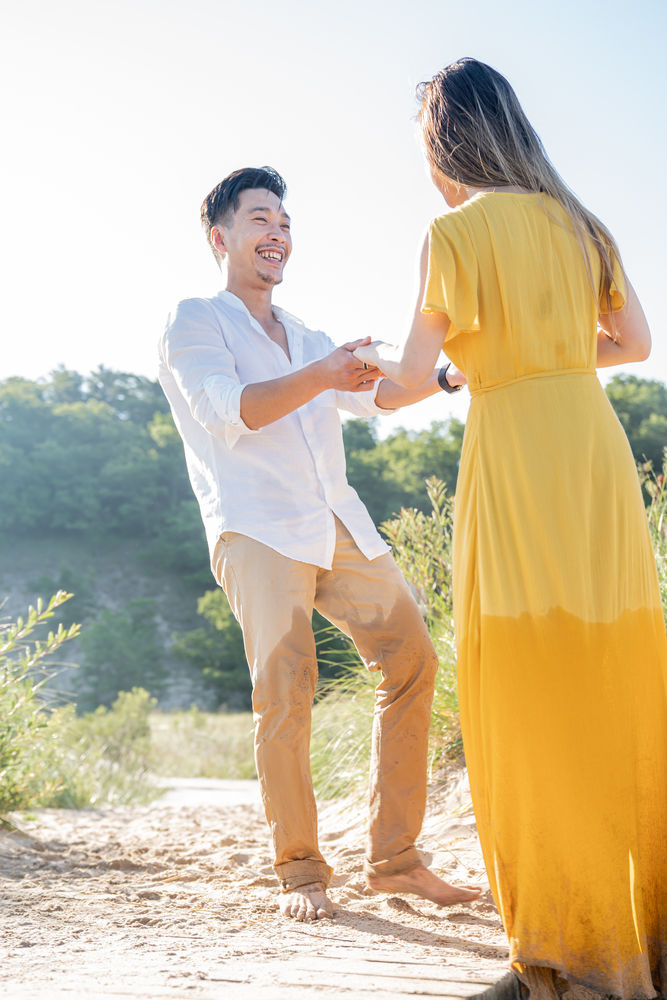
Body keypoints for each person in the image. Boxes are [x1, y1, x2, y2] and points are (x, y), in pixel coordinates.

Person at [356, 59, 666, 1000]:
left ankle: (561, 950)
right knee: (616, 675)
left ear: (443, 140)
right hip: (591, 452)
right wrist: (546, 357)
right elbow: (635, 346)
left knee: (524, 690)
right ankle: (644, 934)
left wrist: (373, 382)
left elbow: (407, 378)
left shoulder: (455, 230)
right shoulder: (580, 223)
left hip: (517, 458)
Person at [157, 166, 477, 922]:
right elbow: (234, 411)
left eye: (285, 223)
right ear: (221, 237)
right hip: (255, 525)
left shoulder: (306, 335)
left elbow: (383, 393)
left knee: (411, 660)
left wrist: (448, 373)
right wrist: (325, 371)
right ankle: (300, 870)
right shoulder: (195, 319)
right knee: (285, 688)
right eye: (260, 219)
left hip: (336, 522)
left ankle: (395, 860)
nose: (277, 234)